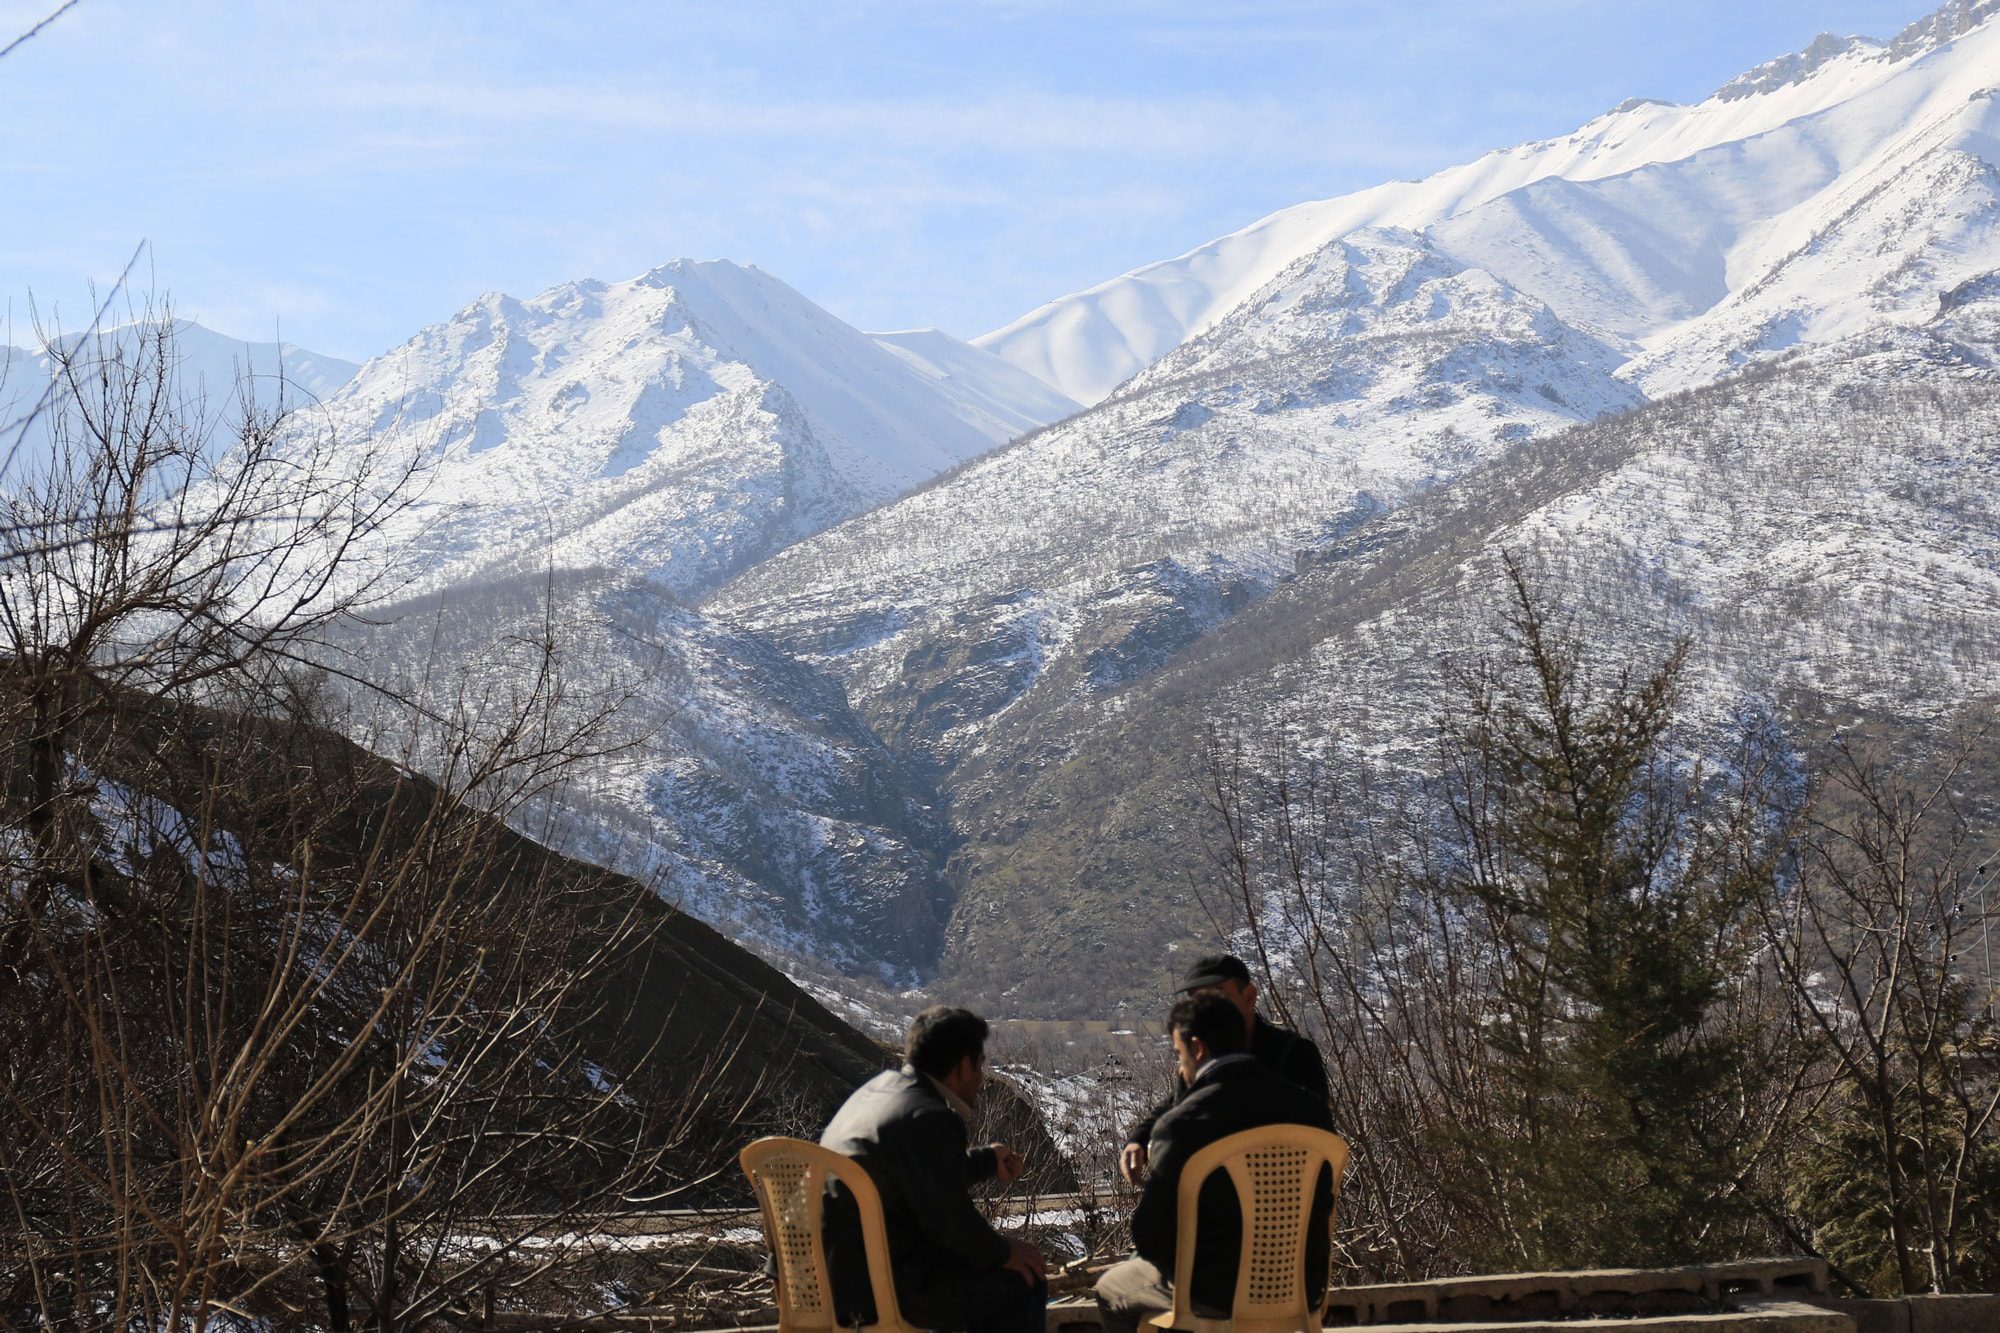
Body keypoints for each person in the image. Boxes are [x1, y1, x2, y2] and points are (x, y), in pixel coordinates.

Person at [1095, 992, 1335, 1333]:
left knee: (1111, 1290)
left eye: (1179, 1054)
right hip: (1303, 1287)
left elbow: (1149, 1235)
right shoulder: (1312, 1110)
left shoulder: (1182, 1125)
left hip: (1214, 1293)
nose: (1180, 1068)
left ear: (1197, 1049)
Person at [819, 1005, 1048, 1333]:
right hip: (885, 1291)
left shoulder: (878, 1092)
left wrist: (985, 1160)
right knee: (1023, 1279)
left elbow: (918, 1178)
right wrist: (1003, 1251)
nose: (983, 1077)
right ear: (964, 1067)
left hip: (835, 1279)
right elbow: (949, 1221)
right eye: (980, 1064)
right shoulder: (928, 1116)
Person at [1121, 953, 1329, 1185]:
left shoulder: (1293, 1053)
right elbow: (1176, 1104)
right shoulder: (1198, 1058)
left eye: (1218, 996)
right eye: (1197, 1000)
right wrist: (1139, 1139)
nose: (1208, 1008)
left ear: (1249, 996)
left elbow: (1316, 1137)